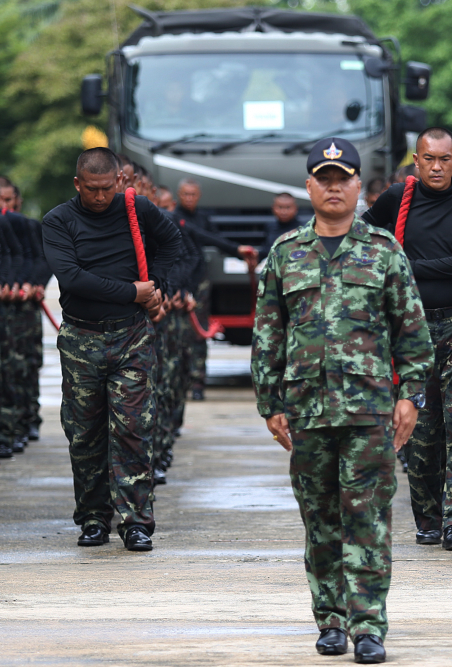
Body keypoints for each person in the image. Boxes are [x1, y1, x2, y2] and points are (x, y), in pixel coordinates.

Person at [252, 137, 432, 664]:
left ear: (358, 186)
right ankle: (330, 620)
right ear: (309, 186)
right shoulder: (286, 255)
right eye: (324, 179)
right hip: (307, 410)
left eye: (343, 179)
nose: (334, 187)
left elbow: (413, 332)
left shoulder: (384, 251)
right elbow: (268, 335)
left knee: (369, 517)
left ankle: (370, 624)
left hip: (370, 409)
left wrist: (412, 395)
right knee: (321, 518)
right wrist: (271, 403)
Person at [362, 127, 452, 551]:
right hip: (412, 327)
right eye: (429, 159)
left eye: (445, 159)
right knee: (418, 427)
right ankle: (428, 518)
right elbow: (365, 236)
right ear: (416, 161)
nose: (437, 167)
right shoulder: (397, 199)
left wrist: (411, 267)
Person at [42, 147, 181, 550]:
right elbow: (71, 277)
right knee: (85, 433)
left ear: (120, 181)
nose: (100, 197)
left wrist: (157, 286)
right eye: (91, 189)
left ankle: (136, 520)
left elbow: (173, 241)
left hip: (131, 336)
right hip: (81, 336)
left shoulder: (137, 210)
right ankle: (92, 518)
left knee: (133, 429)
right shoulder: (59, 220)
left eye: (106, 188)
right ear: (77, 184)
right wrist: (132, 292)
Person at [171, 178, 258, 400]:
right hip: (173, 284)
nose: (189, 198)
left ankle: (198, 383)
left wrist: (239, 253)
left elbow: (214, 239)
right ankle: (179, 381)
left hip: (198, 281)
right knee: (175, 336)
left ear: (198, 195)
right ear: (178, 196)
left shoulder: (203, 219)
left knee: (199, 333)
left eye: (193, 194)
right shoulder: (173, 218)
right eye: (185, 194)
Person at [259, 192, 302, 258]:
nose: (284, 212)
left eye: (288, 207)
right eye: (280, 207)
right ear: (273, 208)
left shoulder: (303, 228)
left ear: (296, 208)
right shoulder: (269, 227)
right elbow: (266, 250)